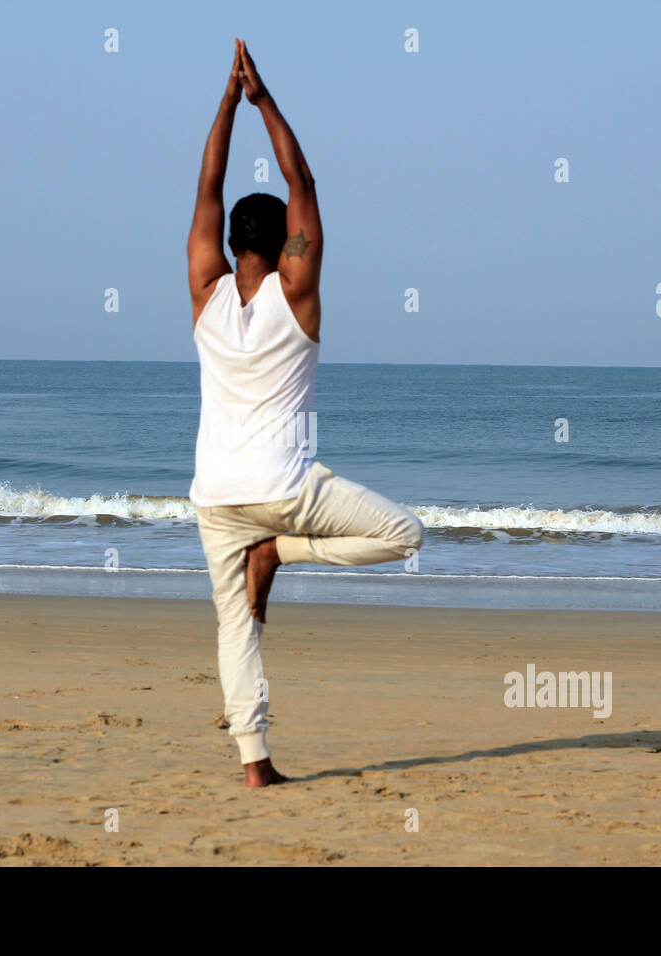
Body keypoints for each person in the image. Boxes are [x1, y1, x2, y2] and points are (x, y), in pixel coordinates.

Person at [187, 40, 424, 787]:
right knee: (405, 534)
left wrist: (225, 105)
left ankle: (255, 766)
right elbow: (304, 181)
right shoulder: (298, 294)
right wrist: (263, 102)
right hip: (285, 490)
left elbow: (207, 185)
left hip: (215, 495)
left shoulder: (204, 294)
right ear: (287, 248)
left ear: (229, 245)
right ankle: (282, 553)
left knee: (234, 628)